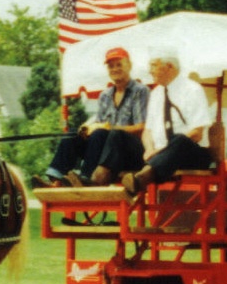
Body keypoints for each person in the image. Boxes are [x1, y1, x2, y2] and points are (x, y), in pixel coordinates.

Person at [36, 47, 148, 187]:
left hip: (128, 151)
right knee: (72, 134)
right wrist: (87, 129)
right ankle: (55, 180)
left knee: (101, 132)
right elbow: (99, 126)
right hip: (103, 151)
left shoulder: (140, 91)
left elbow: (141, 127)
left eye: (119, 64)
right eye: (111, 66)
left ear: (129, 65)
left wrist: (107, 128)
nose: (115, 69)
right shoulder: (105, 95)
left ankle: (86, 177)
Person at [121, 49, 215, 195]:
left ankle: (142, 178)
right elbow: (148, 130)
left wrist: (163, 150)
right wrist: (149, 149)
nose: (150, 71)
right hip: (159, 155)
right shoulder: (156, 93)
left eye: (153, 65)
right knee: (119, 137)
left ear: (169, 66)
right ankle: (96, 180)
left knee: (180, 139)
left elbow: (197, 133)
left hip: (190, 153)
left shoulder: (193, 89)